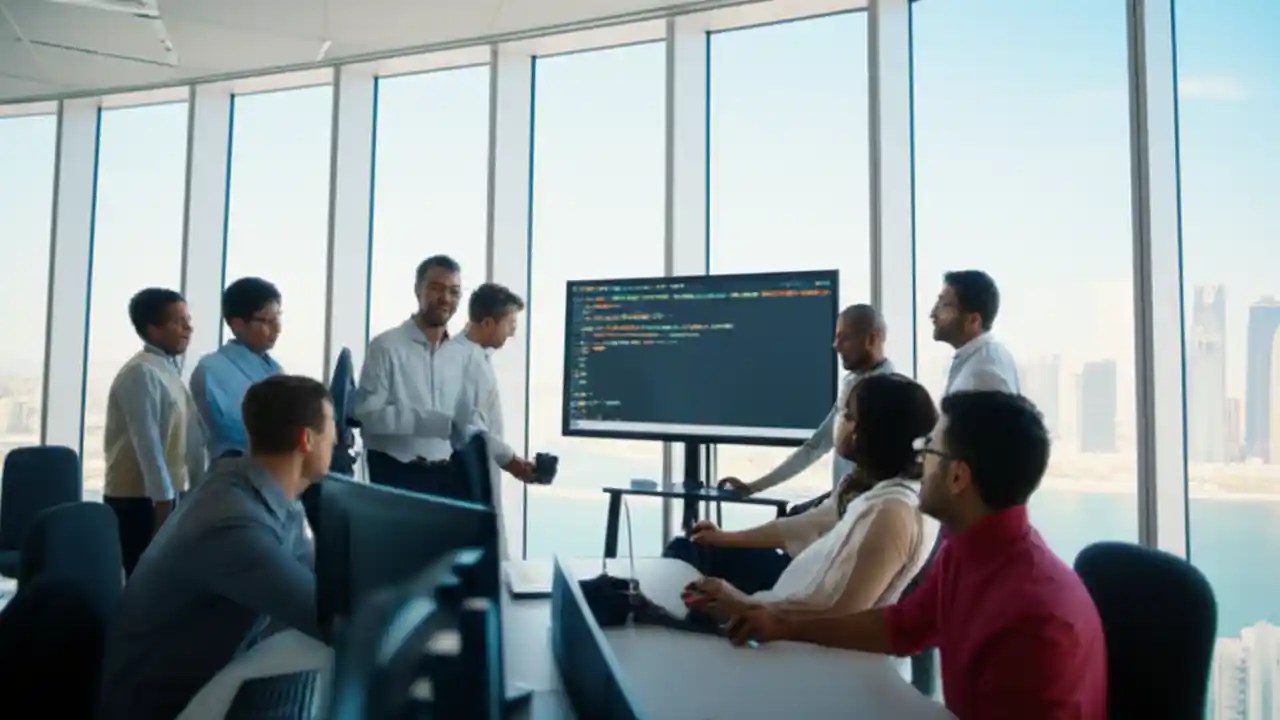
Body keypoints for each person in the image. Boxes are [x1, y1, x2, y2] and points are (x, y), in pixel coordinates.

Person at [725, 392, 1108, 720]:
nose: (920, 462)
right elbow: (903, 627)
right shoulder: (970, 548)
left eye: (929, 450)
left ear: (958, 477)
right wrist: (784, 626)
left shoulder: (1035, 623)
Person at [99, 375, 334, 720]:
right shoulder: (232, 522)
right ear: (307, 439)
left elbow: (311, 589)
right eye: (332, 429)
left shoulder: (261, 490)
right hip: (161, 707)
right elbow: (328, 619)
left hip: (213, 675)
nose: (339, 440)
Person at [669, 374, 939, 628]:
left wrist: (741, 604)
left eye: (847, 415)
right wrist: (724, 540)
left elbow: (842, 619)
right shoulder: (874, 492)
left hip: (798, 647)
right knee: (691, 554)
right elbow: (809, 524)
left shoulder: (891, 512)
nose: (840, 422)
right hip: (784, 609)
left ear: (871, 431)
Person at [720, 304, 896, 496]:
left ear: (872, 339)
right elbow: (816, 446)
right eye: (836, 337)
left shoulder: (890, 396)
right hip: (841, 502)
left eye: (844, 338)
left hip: (861, 509)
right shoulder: (852, 383)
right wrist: (754, 486)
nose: (835, 346)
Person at [103, 288, 207, 577]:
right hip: (140, 502)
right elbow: (148, 446)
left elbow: (191, 440)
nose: (189, 328)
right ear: (153, 329)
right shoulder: (140, 373)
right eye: (178, 321)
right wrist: (163, 509)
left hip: (170, 498)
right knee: (144, 583)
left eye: (188, 319)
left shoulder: (168, 370)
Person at [354, 255, 473, 494]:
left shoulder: (463, 355)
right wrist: (431, 422)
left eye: (454, 291)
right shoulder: (386, 346)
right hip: (396, 475)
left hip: (449, 475)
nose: (446, 298)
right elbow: (367, 416)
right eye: (436, 288)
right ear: (418, 289)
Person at [453, 284, 540, 554]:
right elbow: (471, 431)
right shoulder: (465, 361)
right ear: (489, 323)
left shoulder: (474, 357)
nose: (513, 331)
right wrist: (512, 461)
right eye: (510, 323)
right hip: (468, 480)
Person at [189, 277, 284, 464]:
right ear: (238, 324)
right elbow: (235, 433)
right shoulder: (212, 370)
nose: (277, 328)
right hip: (236, 472)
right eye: (267, 320)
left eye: (278, 317)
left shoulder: (273, 367)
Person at [930, 270, 1020, 395]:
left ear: (973, 320)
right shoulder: (979, 359)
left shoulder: (987, 372)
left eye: (944, 306)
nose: (933, 314)